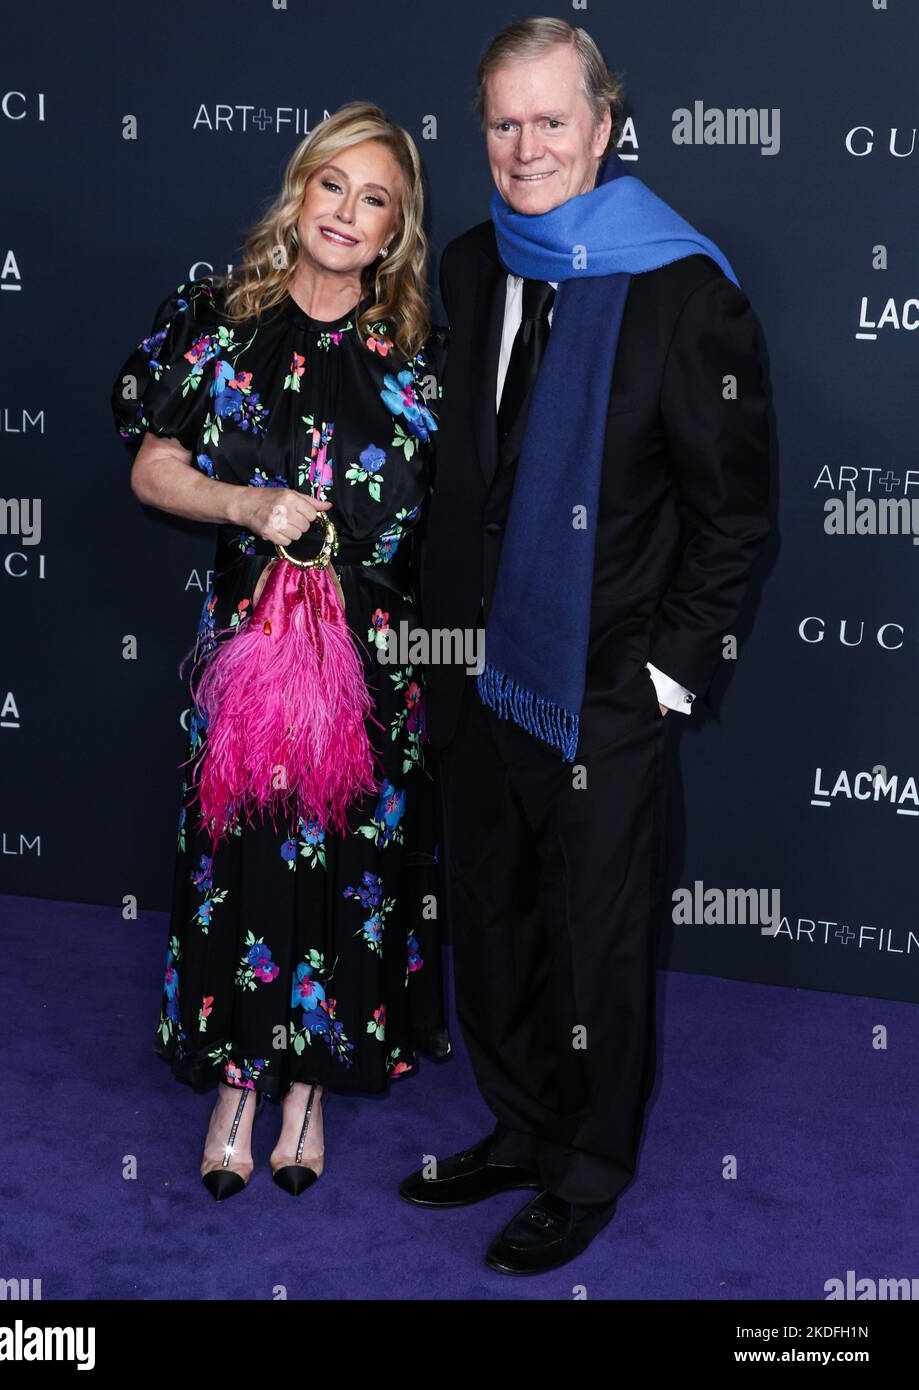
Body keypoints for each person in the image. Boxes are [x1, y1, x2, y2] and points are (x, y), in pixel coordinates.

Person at [400, 18, 772, 1274]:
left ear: (606, 127)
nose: (525, 147)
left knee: (595, 942)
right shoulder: (463, 266)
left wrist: (667, 677)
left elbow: (735, 516)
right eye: (502, 122)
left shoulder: (685, 290)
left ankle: (590, 1165)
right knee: (496, 922)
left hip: (604, 687)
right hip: (473, 668)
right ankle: (520, 1125)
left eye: (551, 121)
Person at [110, 102, 450, 1203]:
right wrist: (244, 502)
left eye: (376, 199)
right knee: (242, 859)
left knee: (351, 862)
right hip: (248, 657)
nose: (348, 213)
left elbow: (466, 512)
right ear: (299, 192)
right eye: (333, 186)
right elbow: (152, 466)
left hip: (371, 667)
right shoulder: (216, 319)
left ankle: (308, 1086)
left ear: (397, 230)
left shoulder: (420, 358)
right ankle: (237, 1084)